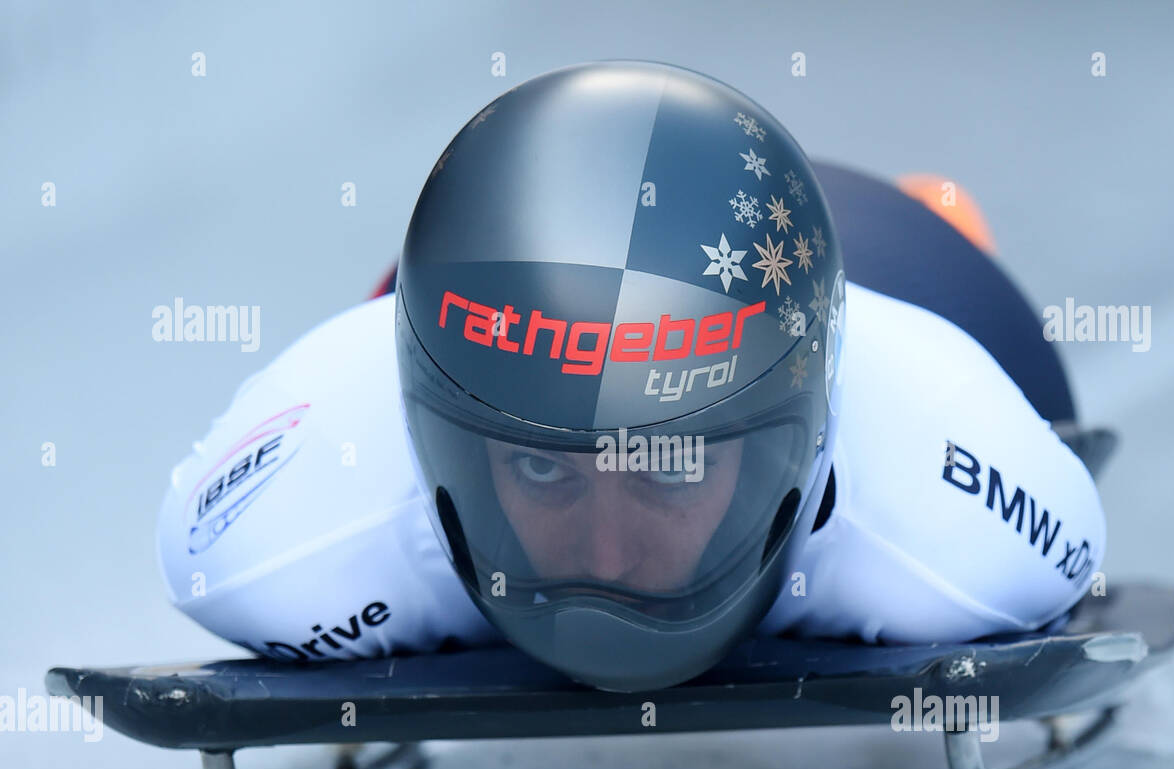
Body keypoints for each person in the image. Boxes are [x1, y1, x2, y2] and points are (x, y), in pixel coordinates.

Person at [157, 61, 1104, 691]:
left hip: (890, 259)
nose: (605, 561)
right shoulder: (267, 543)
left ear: (805, 440)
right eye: (540, 468)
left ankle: (938, 214)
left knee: (962, 281)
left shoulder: (961, 507)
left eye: (676, 464)